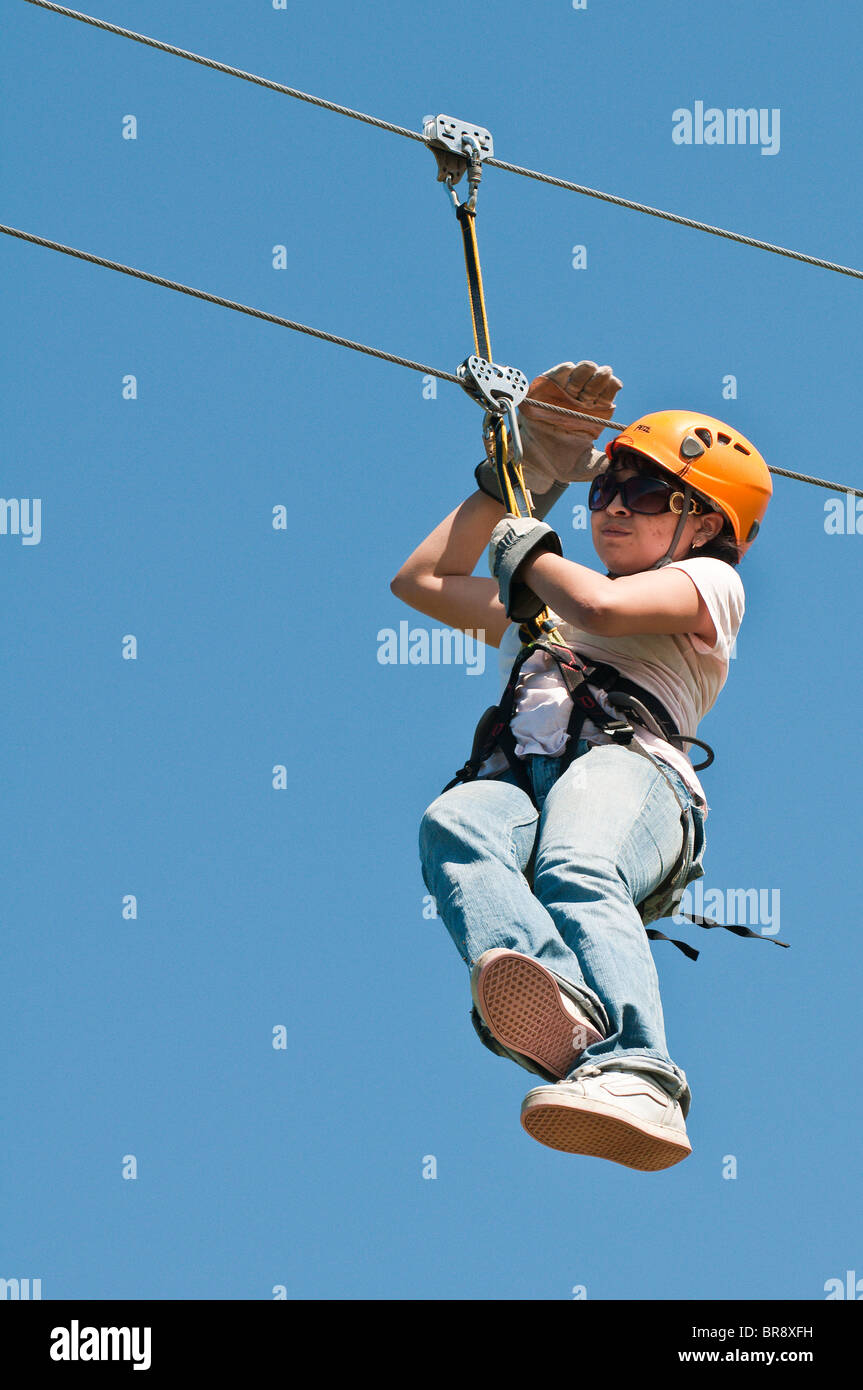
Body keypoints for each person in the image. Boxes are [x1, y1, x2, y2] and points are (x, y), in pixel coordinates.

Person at [390, 362, 772, 1171]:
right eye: (605, 492)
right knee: (453, 825)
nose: (613, 508)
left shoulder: (707, 585)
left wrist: (528, 545)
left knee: (576, 864)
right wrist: (528, 470)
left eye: (645, 496)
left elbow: (596, 607)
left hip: (633, 775)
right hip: (527, 781)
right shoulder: (548, 599)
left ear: (703, 525)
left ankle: (641, 1072)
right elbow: (422, 580)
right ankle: (565, 1005)